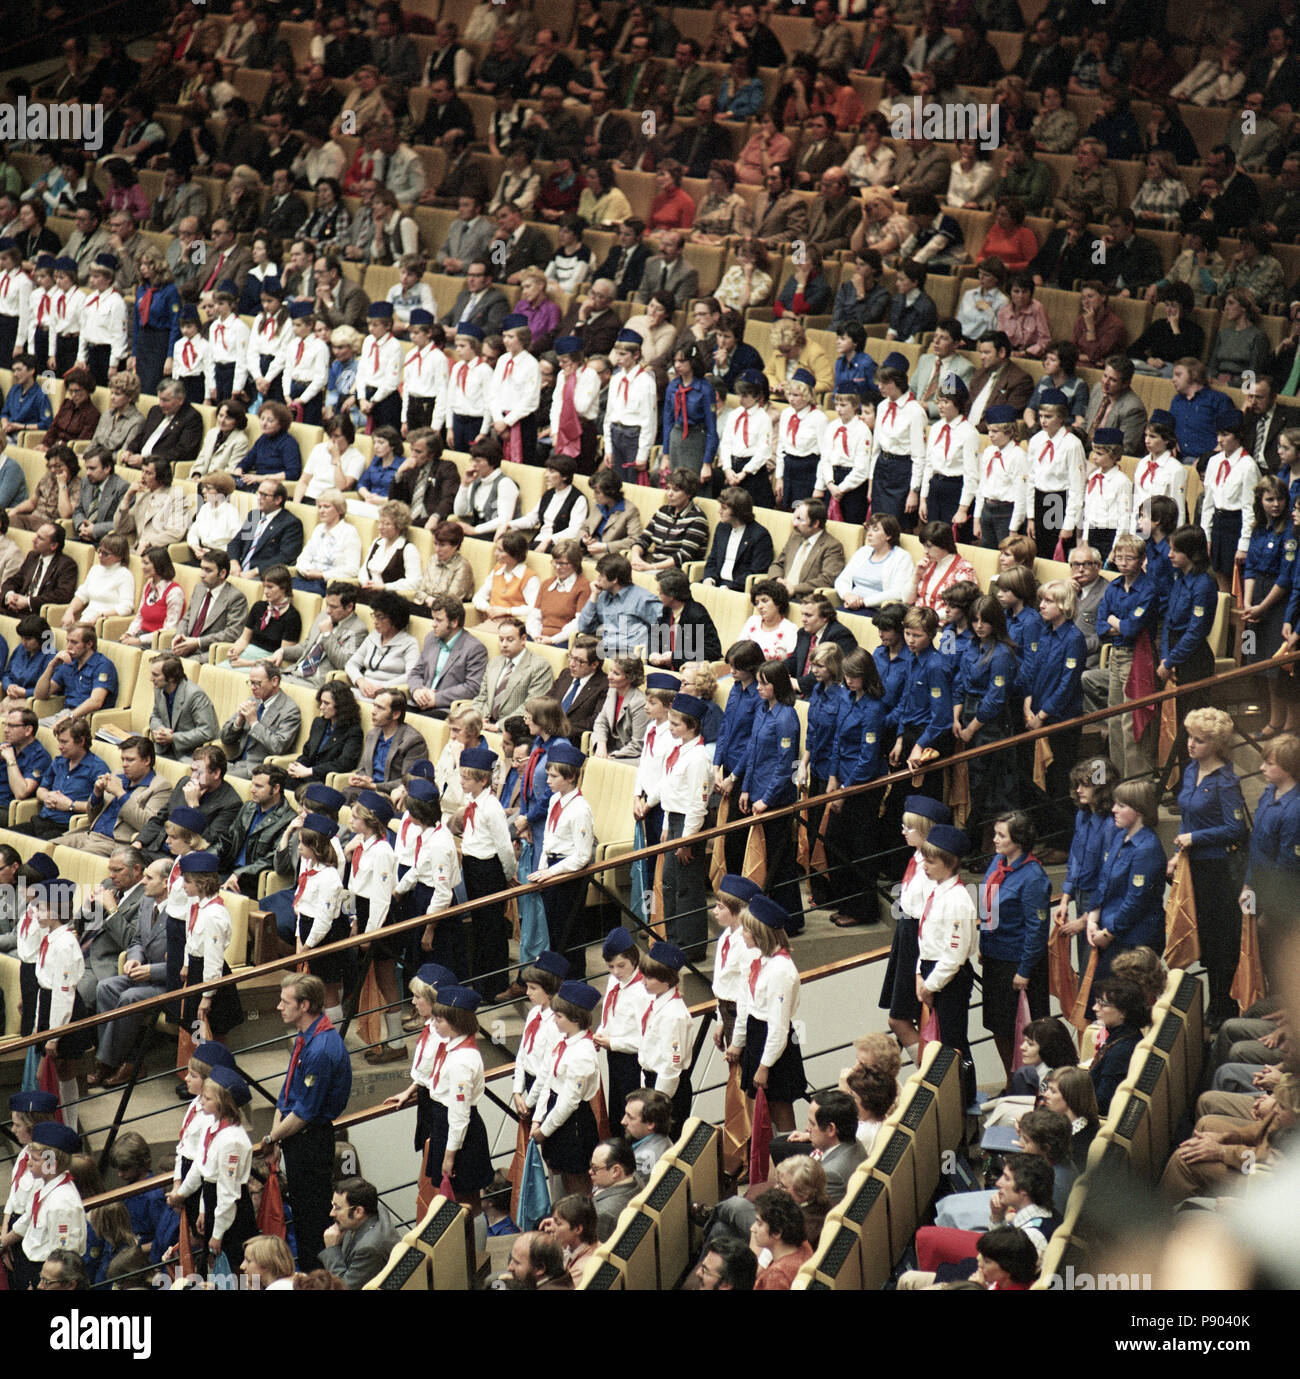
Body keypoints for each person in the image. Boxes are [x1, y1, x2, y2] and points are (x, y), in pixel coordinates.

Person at [263, 973, 352, 1272]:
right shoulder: (306, 1038)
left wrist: (270, 1139)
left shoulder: (321, 1049)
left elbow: (304, 1112)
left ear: (304, 1005)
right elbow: (287, 1095)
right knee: (301, 1214)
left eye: (285, 1001)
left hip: (311, 1141)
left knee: (313, 1219)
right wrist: (276, 1136)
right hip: (294, 1137)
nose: (279, 1007)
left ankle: (317, 1279)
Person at [1171, 708, 1248, 1028]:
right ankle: (1213, 1004)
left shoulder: (1227, 782)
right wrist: (1178, 851)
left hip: (1220, 870)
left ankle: (1223, 1006)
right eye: (1190, 737)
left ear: (1215, 745)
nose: (1191, 744)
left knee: (1221, 939)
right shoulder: (1190, 771)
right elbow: (1187, 817)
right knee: (1201, 934)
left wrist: (1195, 837)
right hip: (1194, 867)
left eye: (1199, 741)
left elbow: (1237, 830)